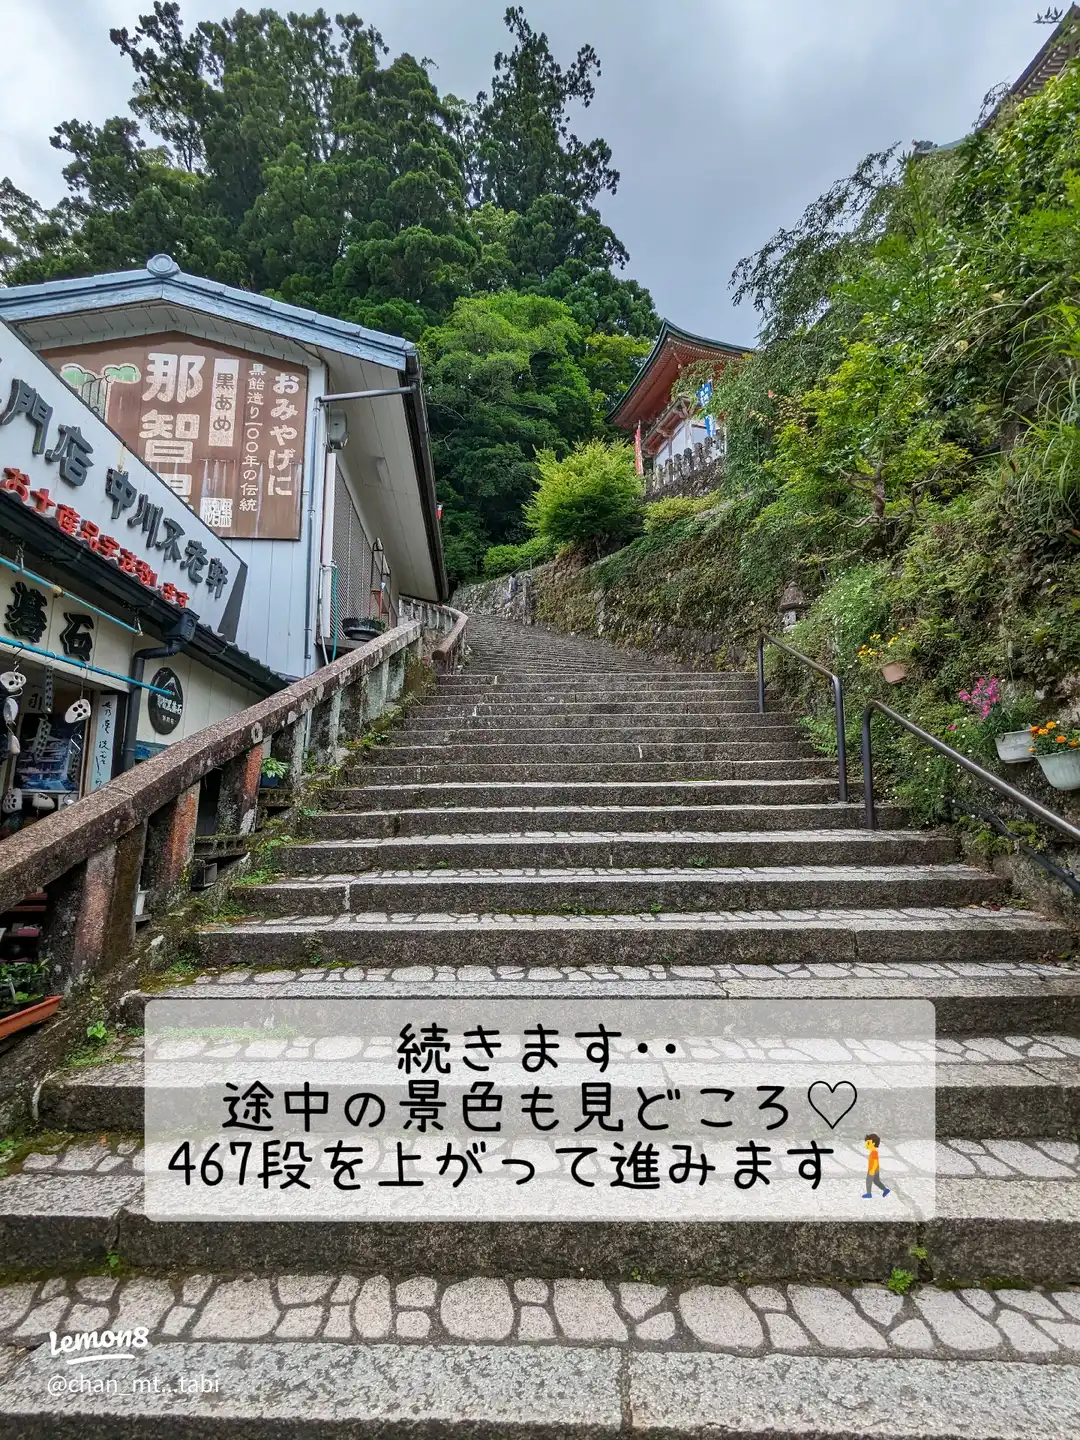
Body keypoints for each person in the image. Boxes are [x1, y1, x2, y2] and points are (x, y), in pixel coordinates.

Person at [862, 1133, 890, 1199]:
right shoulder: (873, 1152)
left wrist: (872, 1171)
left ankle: (869, 1194)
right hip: (876, 1169)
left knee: (868, 1180)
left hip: (872, 1170)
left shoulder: (874, 1152)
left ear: (873, 1143)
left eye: (868, 1143)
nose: (866, 1144)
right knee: (876, 1181)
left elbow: (874, 1162)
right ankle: (885, 1190)